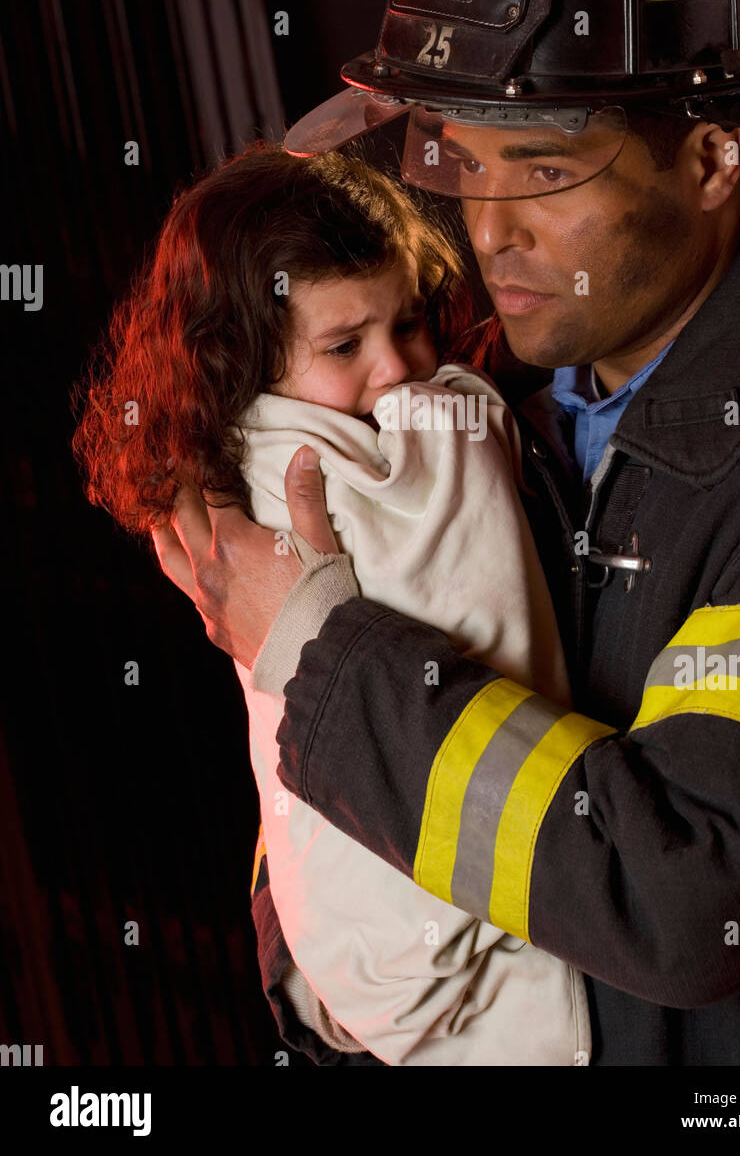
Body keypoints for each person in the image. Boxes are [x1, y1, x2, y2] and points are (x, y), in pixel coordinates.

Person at [153, 0, 740, 1065]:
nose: (487, 231)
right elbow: (332, 802)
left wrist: (317, 650)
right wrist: (332, 991)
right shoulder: (491, 411)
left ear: (710, 156)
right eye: (461, 158)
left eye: (543, 169)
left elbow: (690, 887)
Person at [72, 141, 593, 1066]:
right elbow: (453, 476)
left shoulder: (241, 461)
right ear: (241, 370)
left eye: (410, 323)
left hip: (362, 962)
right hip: (396, 924)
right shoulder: (297, 463)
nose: (397, 372)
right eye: (345, 346)